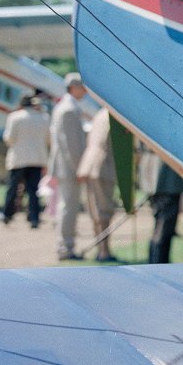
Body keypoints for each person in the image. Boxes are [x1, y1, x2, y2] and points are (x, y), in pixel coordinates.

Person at [47, 72, 88, 261]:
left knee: (67, 206)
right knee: (68, 207)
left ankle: (65, 246)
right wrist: (80, 168)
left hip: (65, 166)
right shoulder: (69, 109)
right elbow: (72, 145)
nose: (85, 90)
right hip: (69, 167)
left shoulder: (64, 107)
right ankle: (65, 248)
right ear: (74, 87)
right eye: (82, 86)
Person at [1, 94, 50, 228]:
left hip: (18, 158)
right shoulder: (44, 118)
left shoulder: (14, 117)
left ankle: (7, 214)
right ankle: (34, 218)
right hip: (37, 159)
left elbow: (9, 138)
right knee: (33, 190)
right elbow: (48, 139)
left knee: (13, 188)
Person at [76, 106, 118, 262]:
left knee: (96, 212)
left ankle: (102, 250)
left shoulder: (100, 113)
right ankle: (104, 252)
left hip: (90, 163)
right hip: (103, 165)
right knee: (104, 212)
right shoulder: (113, 115)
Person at [141, 152, 183, 264]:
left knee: (160, 227)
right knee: (164, 229)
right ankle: (158, 265)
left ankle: (155, 264)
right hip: (167, 176)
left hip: (152, 173)